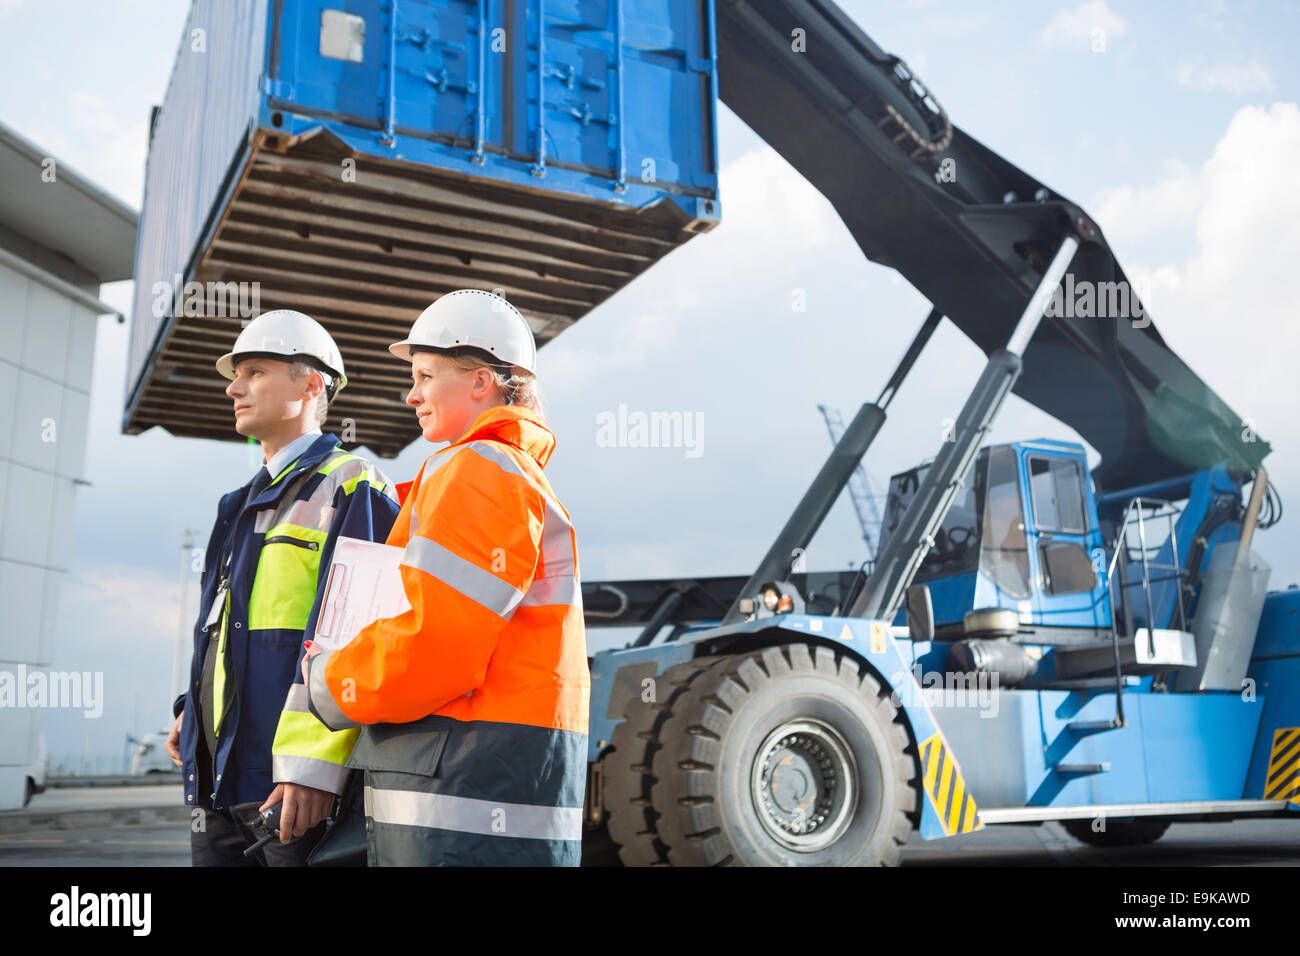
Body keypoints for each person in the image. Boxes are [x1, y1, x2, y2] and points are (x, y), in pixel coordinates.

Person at [302, 289, 590, 866]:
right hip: (491, 791)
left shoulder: (478, 469)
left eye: (426, 375)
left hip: (457, 797)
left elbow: (435, 644)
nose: (412, 395)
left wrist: (328, 683)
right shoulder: (511, 474)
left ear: (480, 380)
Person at [164, 309, 402, 866]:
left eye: (254, 371)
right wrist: (192, 709)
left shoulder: (353, 485)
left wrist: (316, 768)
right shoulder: (236, 503)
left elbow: (356, 634)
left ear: (311, 383)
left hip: (292, 788)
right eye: (236, 373)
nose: (233, 387)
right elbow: (222, 630)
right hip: (217, 777)